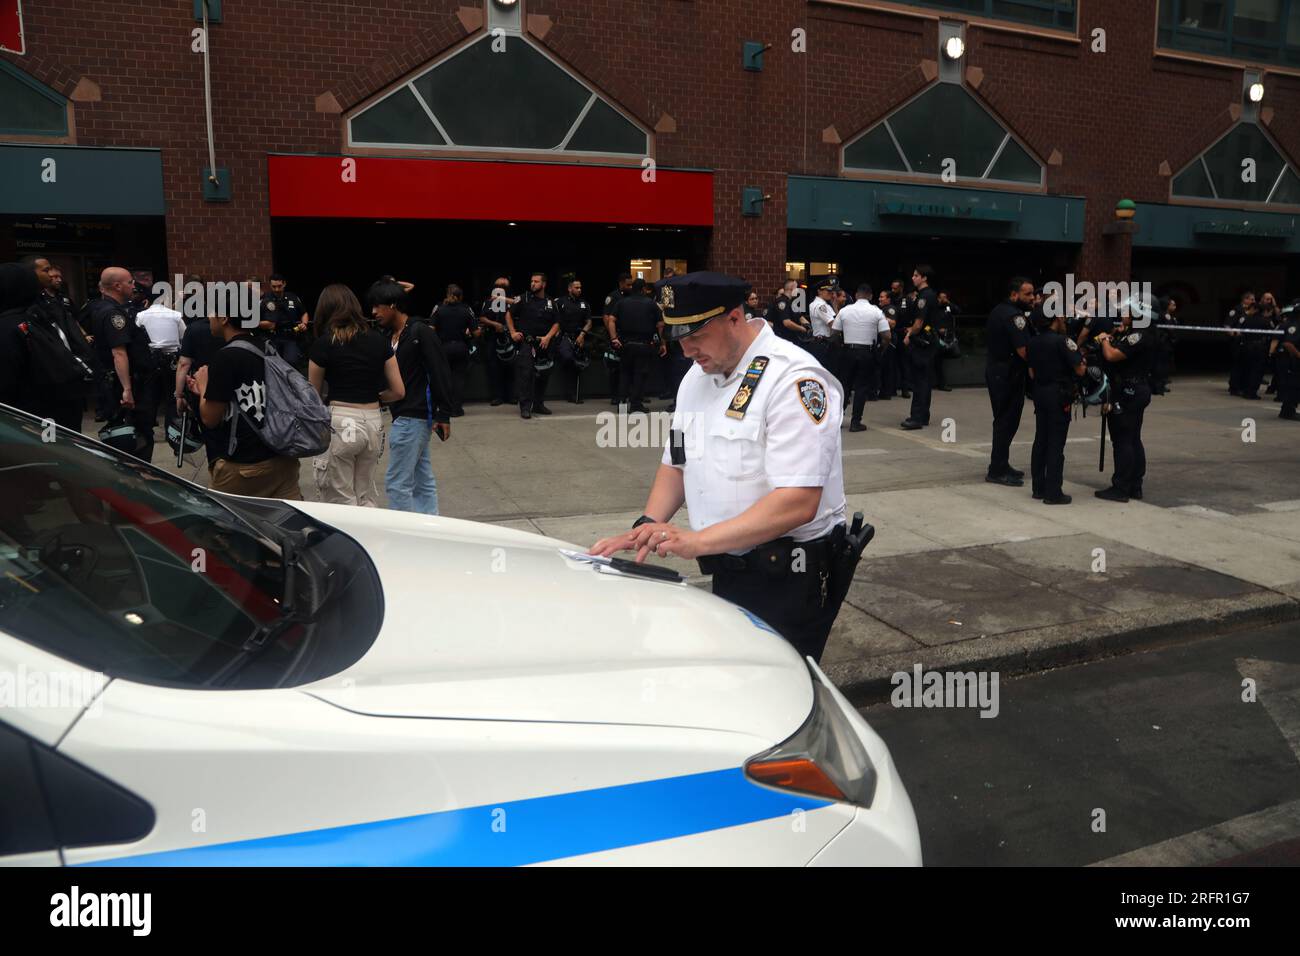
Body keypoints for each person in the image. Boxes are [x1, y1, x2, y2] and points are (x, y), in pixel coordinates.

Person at [588, 272, 861, 663]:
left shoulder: (793, 379)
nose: (686, 351)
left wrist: (695, 541)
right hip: (731, 565)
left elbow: (798, 501)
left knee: (776, 692)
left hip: (789, 576)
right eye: (678, 338)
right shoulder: (696, 378)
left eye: (695, 336)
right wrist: (647, 525)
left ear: (734, 318)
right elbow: (676, 462)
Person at [188, 310, 303, 499]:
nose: (209, 316)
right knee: (284, 524)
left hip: (245, 466)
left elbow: (210, 418)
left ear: (224, 318)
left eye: (213, 311)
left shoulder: (225, 357)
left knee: (223, 524)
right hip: (283, 458)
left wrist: (203, 385)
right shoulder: (267, 347)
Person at [307, 284, 404, 506]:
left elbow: (313, 395)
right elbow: (398, 391)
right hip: (372, 421)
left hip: (340, 420)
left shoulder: (323, 345)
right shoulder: (380, 341)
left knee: (339, 500)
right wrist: (377, 398)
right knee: (364, 495)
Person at [370, 277, 454, 514]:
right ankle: (430, 526)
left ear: (394, 305)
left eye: (378, 306)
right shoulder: (390, 336)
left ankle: (404, 537)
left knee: (397, 483)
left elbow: (440, 371)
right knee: (421, 479)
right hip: (405, 414)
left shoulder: (419, 331)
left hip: (413, 415)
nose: (374, 312)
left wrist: (444, 414)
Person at [86, 267, 158, 462]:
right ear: (117, 286)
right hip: (126, 386)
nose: (133, 286)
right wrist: (127, 389)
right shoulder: (113, 314)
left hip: (118, 383)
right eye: (130, 282)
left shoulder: (101, 308)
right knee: (138, 436)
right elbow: (119, 352)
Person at [1026, 306, 1086, 505]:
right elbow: (1080, 370)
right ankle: (1053, 492)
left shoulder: (1032, 342)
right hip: (1058, 394)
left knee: (1041, 439)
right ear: (1054, 319)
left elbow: (1032, 373)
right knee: (1056, 443)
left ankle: (1038, 488)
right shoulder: (1063, 341)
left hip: (1040, 393)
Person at [1095, 308, 1155, 503]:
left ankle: (1121, 487)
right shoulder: (1136, 333)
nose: (1123, 314)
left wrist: (1104, 340)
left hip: (1129, 391)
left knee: (1122, 439)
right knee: (1133, 437)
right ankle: (1134, 485)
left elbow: (1112, 356)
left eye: (1128, 312)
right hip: (1136, 388)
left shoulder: (1137, 335)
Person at [985, 277, 1035, 486]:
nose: (1032, 298)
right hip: (1006, 374)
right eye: (1028, 294)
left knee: (1005, 421)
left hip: (1000, 372)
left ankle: (1001, 463)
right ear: (1014, 294)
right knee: (1006, 421)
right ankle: (997, 470)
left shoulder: (1000, 310)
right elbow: (1025, 351)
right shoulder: (1014, 316)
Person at [832, 284, 890, 433]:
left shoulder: (844, 311)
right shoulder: (876, 312)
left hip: (848, 351)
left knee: (844, 386)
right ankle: (855, 422)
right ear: (870, 296)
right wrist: (881, 349)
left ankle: (836, 419)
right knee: (861, 388)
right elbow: (887, 336)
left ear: (856, 295)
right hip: (867, 352)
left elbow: (834, 334)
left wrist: (842, 346)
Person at [607, 277, 665, 413]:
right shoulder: (651, 304)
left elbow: (611, 320)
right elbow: (661, 324)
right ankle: (636, 404)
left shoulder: (622, 303)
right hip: (644, 344)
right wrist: (662, 342)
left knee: (625, 373)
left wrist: (614, 338)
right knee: (640, 375)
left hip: (625, 344)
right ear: (644, 289)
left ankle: (621, 403)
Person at [506, 272, 560, 419]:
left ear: (544, 284)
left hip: (544, 343)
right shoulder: (523, 298)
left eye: (536, 281)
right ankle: (525, 407)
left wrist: (548, 337)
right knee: (526, 375)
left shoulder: (551, 302)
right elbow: (509, 314)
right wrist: (512, 332)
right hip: (527, 343)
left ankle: (538, 404)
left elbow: (556, 323)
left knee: (544, 375)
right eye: (531, 281)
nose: (532, 284)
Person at [900, 265, 939, 430]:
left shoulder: (924, 296)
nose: (913, 278)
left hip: (923, 342)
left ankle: (916, 417)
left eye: (916, 275)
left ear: (924, 278)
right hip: (928, 341)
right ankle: (923, 416)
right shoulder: (928, 295)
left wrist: (909, 335)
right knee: (924, 380)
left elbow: (919, 322)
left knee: (920, 381)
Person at [432, 283, 475, 416]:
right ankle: (456, 409)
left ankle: (445, 407)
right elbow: (477, 332)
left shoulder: (439, 309)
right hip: (461, 347)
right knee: (458, 379)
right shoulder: (466, 309)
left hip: (443, 347)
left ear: (447, 295)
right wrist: (468, 333)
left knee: (444, 379)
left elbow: (431, 329)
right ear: (460, 296)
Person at [476, 276, 517, 407]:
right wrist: (494, 324)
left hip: (509, 337)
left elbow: (519, 304)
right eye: (498, 286)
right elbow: (482, 318)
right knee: (494, 367)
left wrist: (503, 299)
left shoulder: (513, 300)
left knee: (511, 367)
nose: (501, 289)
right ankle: (497, 396)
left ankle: (511, 396)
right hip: (492, 337)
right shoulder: (488, 301)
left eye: (504, 286)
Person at [554, 277, 594, 404]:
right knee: (568, 358)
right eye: (577, 287)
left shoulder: (584, 304)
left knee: (578, 364)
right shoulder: (560, 301)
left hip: (579, 336)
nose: (579, 290)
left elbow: (589, 322)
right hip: (564, 336)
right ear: (570, 288)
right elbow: (554, 320)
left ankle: (573, 395)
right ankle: (567, 391)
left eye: (580, 287)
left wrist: (582, 335)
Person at [258, 274, 310, 366]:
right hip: (271, 337)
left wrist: (304, 323)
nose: (277, 289)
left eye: (279, 286)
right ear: (270, 285)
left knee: (291, 362)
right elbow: (256, 319)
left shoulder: (292, 297)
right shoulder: (265, 299)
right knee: (273, 365)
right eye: (274, 287)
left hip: (290, 336)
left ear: (284, 284)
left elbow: (304, 313)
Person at [601, 272, 633, 405]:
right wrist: (613, 336)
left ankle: (631, 394)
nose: (630, 287)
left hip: (629, 336)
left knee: (630, 366)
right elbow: (606, 317)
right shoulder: (613, 297)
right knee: (614, 368)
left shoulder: (633, 296)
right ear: (621, 283)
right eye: (628, 284)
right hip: (616, 336)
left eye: (631, 284)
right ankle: (615, 395)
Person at [1226, 292, 1256, 396]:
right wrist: (1234, 334)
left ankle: (1243, 386)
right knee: (1237, 365)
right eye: (1252, 299)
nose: (1253, 302)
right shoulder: (1237, 310)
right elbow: (1227, 326)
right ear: (1245, 299)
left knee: (1246, 365)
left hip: (1247, 342)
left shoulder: (1251, 312)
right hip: (1237, 342)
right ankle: (1234, 387)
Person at [1276, 314, 1299, 420]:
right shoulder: (1295, 325)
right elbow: (1288, 343)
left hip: (1293, 361)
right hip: (1294, 362)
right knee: (1294, 387)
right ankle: (1287, 412)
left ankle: (1289, 410)